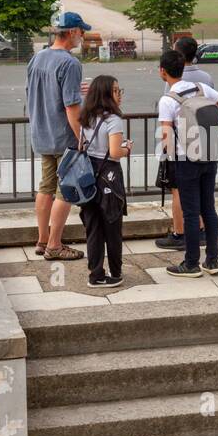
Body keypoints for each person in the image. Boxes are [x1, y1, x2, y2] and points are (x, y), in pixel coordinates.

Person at [157, 49, 218, 277]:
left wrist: (169, 157)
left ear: (163, 72)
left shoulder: (168, 100)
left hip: (186, 159)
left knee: (191, 213)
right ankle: (212, 260)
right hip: (209, 155)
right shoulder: (203, 89)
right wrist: (211, 133)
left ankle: (191, 263)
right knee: (208, 208)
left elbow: (165, 135)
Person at [25, 24, 85, 260]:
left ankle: (42, 240)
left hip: (42, 133)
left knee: (46, 186)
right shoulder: (70, 63)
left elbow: (33, 93)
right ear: (72, 33)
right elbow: (70, 106)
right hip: (63, 136)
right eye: (81, 32)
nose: (83, 36)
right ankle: (55, 245)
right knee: (66, 190)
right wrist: (82, 137)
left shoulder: (37, 58)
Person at [155, 36, 215, 251]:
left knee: (180, 193)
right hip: (206, 143)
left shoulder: (171, 91)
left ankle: (182, 236)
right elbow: (217, 107)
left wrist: (168, 154)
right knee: (207, 204)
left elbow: (167, 125)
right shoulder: (205, 79)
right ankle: (209, 250)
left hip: (183, 148)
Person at [76, 75, 131, 287]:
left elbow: (81, 146)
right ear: (106, 94)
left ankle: (96, 274)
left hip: (89, 177)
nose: (119, 95)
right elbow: (115, 152)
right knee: (113, 227)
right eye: (116, 91)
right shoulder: (113, 120)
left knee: (93, 228)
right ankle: (116, 272)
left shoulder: (86, 117)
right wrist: (128, 148)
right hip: (109, 177)